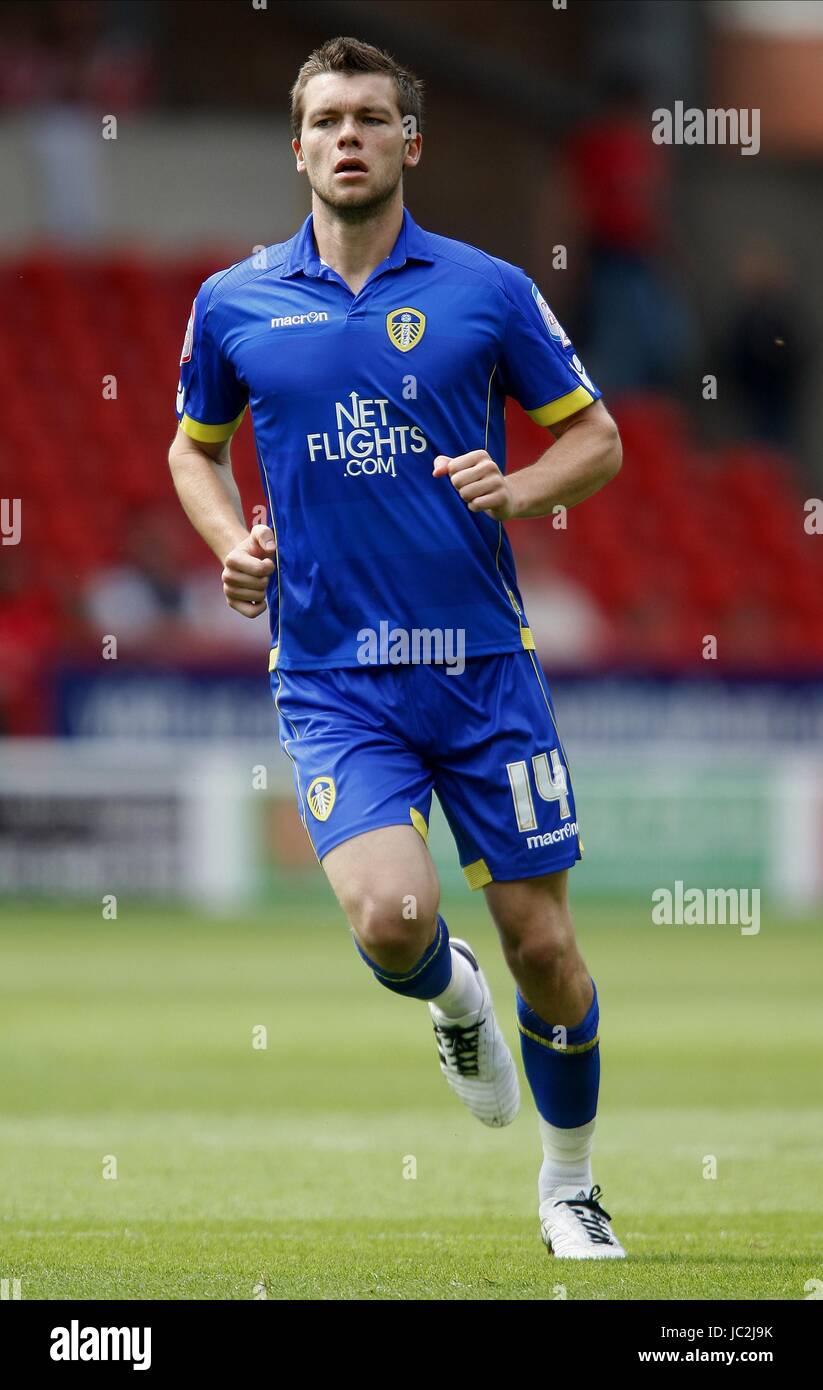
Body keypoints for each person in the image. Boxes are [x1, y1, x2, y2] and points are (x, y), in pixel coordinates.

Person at [168, 36, 624, 1261]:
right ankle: (449, 998)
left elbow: (598, 440)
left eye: (372, 116)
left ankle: (568, 1181)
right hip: (331, 674)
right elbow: (191, 451)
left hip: (481, 668)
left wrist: (518, 488)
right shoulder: (236, 301)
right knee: (387, 918)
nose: (349, 136)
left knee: (548, 949)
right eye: (327, 119)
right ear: (299, 143)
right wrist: (231, 546)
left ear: (408, 141)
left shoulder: (487, 290)